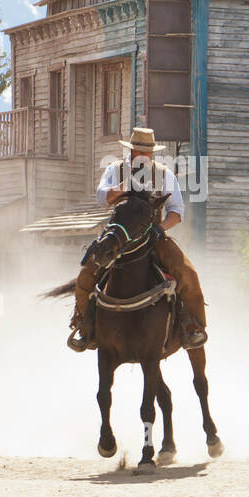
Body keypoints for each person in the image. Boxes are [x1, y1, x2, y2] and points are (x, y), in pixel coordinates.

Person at [67, 126, 206, 352]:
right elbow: (102, 197)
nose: (143, 155)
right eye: (139, 151)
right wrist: (122, 188)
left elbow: (177, 212)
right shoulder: (115, 170)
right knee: (85, 275)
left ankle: (193, 327)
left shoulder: (164, 174)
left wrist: (160, 230)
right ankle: (85, 328)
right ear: (131, 152)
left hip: (153, 236)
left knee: (187, 273)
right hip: (118, 236)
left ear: (153, 153)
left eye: (147, 152)